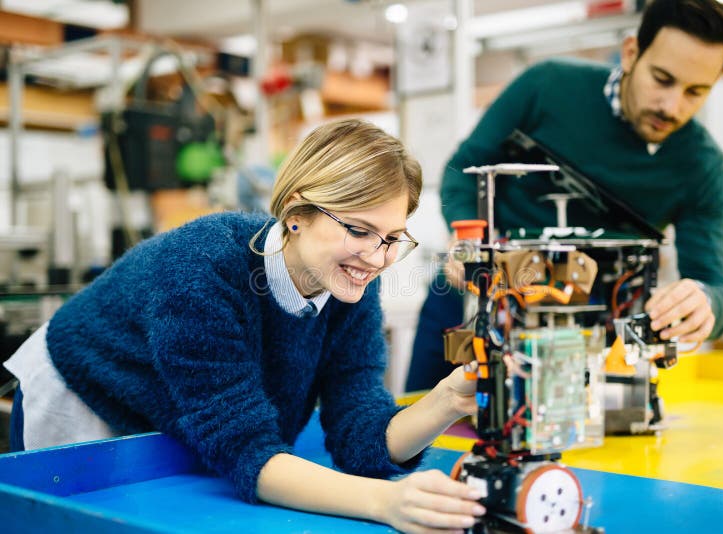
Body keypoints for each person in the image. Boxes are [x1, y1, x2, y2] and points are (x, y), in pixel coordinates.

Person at [4, 119, 487, 532]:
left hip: (180, 412)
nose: (375, 257)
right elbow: (244, 450)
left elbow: (358, 430)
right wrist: (386, 503)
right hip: (88, 390)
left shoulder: (351, 285)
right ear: (297, 211)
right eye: (358, 230)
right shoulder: (203, 267)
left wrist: (445, 401)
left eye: (392, 238)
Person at [406, 0, 723, 391]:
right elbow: (462, 170)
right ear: (632, 53)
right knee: (417, 427)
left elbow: (716, 286)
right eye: (662, 79)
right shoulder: (547, 87)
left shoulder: (701, 165)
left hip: (586, 337)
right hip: (476, 301)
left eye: (696, 92)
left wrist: (703, 302)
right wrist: (469, 242)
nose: (672, 107)